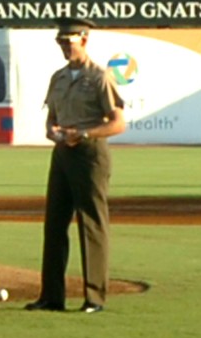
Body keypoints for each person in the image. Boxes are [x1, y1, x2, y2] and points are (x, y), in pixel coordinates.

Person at [26, 19, 126, 314]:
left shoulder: (99, 77)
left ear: (84, 40)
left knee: (91, 224)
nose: (66, 46)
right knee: (54, 224)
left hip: (89, 154)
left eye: (71, 41)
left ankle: (94, 297)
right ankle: (51, 296)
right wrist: (52, 131)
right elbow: (51, 117)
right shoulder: (58, 78)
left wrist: (84, 134)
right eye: (61, 41)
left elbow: (118, 123)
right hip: (62, 152)